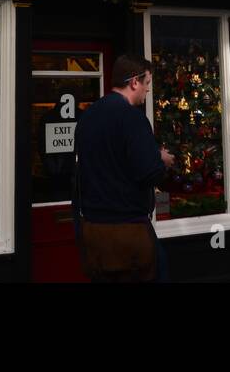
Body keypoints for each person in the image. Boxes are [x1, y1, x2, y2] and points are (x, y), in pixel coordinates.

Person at [72, 54, 174, 281]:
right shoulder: (133, 118)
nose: (148, 90)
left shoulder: (87, 117)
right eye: (147, 83)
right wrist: (161, 160)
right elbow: (150, 173)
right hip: (128, 232)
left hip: (93, 233)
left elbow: (95, 164)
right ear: (134, 82)